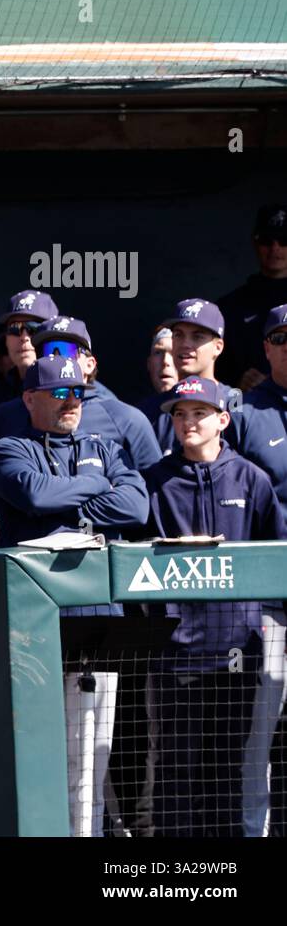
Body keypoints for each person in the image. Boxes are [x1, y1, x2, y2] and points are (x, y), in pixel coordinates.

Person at [0, 355, 149, 836]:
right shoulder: (8, 447)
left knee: (91, 757)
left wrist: (70, 491)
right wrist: (96, 486)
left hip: (99, 616)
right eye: (59, 393)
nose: (71, 401)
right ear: (30, 399)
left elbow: (136, 505)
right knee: (40, 749)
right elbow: (34, 496)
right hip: (36, 623)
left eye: (78, 392)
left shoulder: (105, 444)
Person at [141, 376, 283, 836]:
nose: (188, 422)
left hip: (237, 653)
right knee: (173, 770)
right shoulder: (154, 483)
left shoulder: (252, 479)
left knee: (226, 769)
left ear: (222, 419)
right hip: (174, 654)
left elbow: (274, 559)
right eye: (180, 415)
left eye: (199, 413)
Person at [228, 303, 287, 836]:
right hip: (270, 598)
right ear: (266, 347)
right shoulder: (247, 412)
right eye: (282, 337)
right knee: (257, 733)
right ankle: (254, 834)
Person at [0, 316, 161, 470]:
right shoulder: (3, 417)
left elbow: (152, 493)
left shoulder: (126, 420)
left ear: (90, 364)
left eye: (66, 351)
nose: (57, 359)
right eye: (48, 352)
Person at [137, 299, 244, 453]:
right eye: (178, 335)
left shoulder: (235, 398)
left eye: (197, 336)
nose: (185, 344)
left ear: (218, 347)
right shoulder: (148, 410)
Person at [0, 290, 59, 438]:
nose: (24, 337)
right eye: (15, 329)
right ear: (6, 339)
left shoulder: (83, 397)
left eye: (34, 328)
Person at [216, 205, 287, 391]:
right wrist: (237, 389)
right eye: (266, 240)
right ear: (255, 243)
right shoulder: (228, 308)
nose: (275, 248)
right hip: (247, 410)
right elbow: (217, 391)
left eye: (284, 240)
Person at [142, 326, 180, 400]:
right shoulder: (138, 411)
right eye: (158, 353)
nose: (165, 361)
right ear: (149, 363)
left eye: (174, 352)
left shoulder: (208, 407)